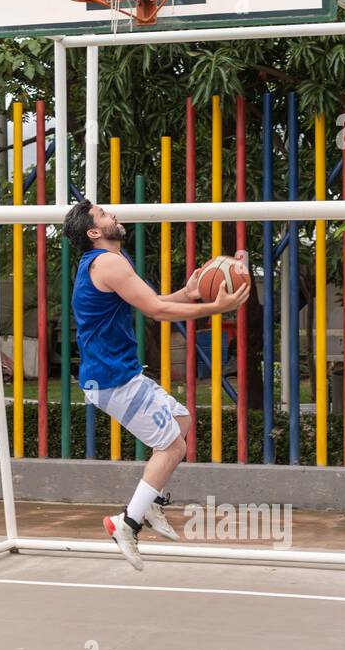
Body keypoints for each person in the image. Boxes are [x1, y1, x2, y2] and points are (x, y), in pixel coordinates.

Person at [64, 200, 250, 570]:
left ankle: (151, 505)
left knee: (180, 422)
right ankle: (127, 522)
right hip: (112, 380)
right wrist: (214, 308)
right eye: (103, 214)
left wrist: (192, 293)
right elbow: (158, 312)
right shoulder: (107, 262)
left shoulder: (111, 261)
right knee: (172, 446)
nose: (112, 215)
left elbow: (155, 302)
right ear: (93, 232)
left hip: (120, 374)